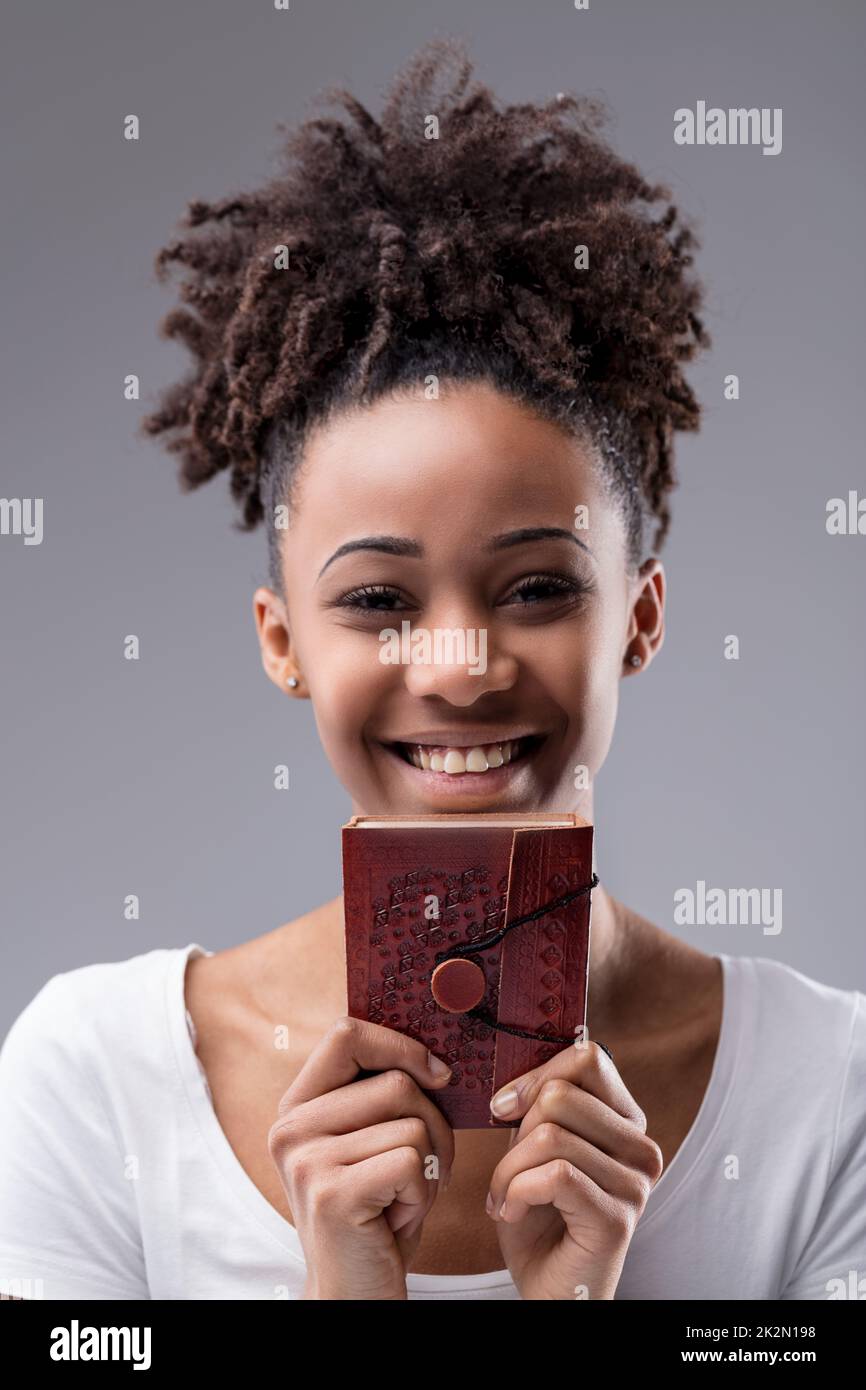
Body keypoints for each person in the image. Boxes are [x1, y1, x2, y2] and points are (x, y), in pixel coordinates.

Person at [1, 39, 864, 1303]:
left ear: (638, 615)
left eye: (535, 586)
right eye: (376, 600)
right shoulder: (94, 1077)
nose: (458, 667)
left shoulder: (829, 1089)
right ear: (282, 638)